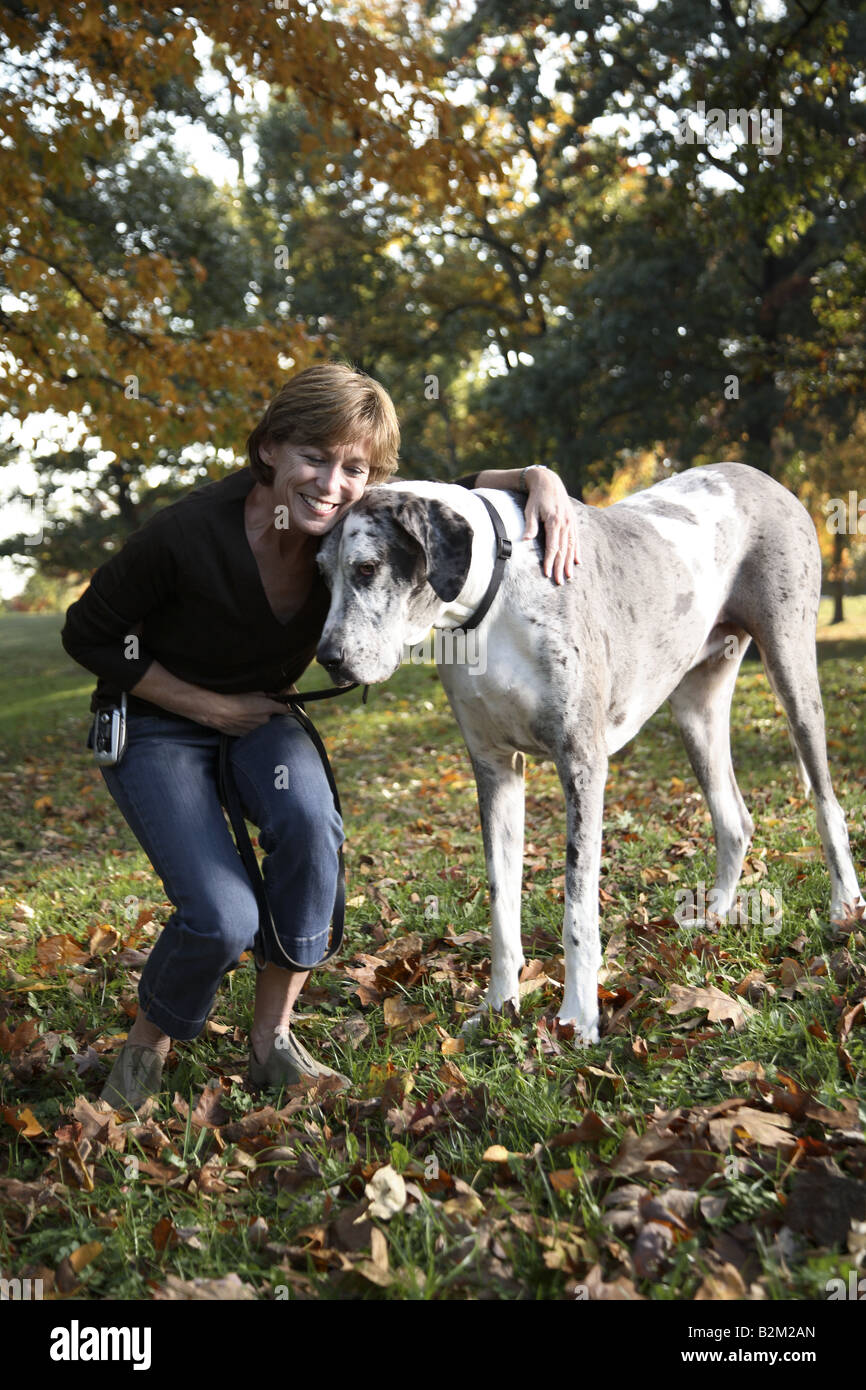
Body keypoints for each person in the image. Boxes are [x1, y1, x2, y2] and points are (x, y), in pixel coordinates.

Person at [60, 362, 580, 1109]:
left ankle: (271, 1040)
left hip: (261, 718)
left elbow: (462, 487)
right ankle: (148, 1045)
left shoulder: (354, 525)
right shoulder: (184, 534)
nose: (331, 484)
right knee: (223, 914)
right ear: (270, 448)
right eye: (313, 457)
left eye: (354, 468)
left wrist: (540, 478)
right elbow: (90, 633)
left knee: (311, 829)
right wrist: (207, 706)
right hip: (158, 719)